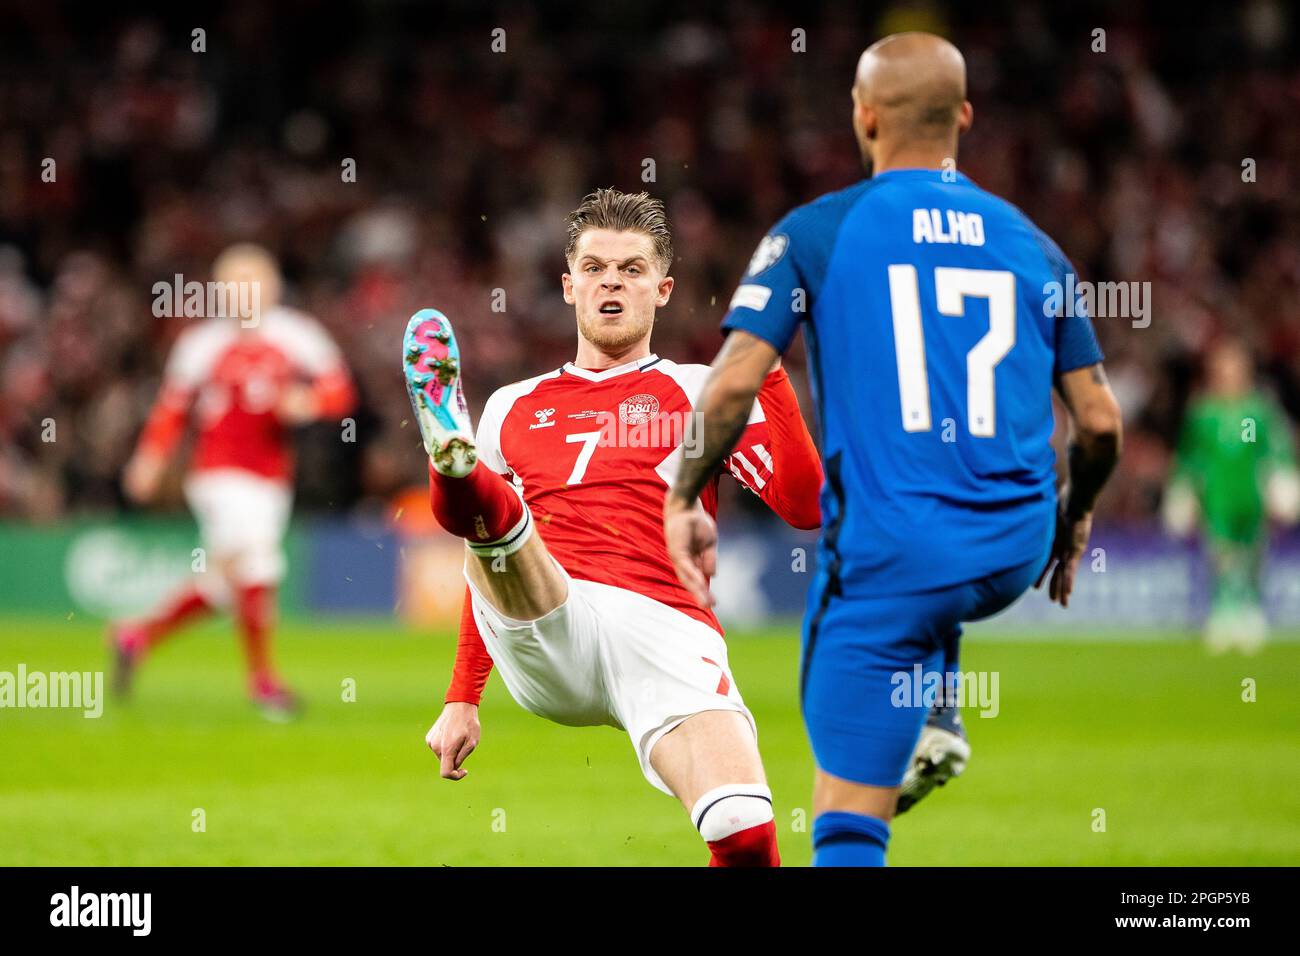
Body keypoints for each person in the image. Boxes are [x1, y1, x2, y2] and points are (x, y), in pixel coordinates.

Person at [663, 33, 1123, 865]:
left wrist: (681, 498)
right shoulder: (1032, 244)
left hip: (896, 557)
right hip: (1017, 547)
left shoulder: (817, 232)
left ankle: (909, 731)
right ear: (965, 118)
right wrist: (1075, 514)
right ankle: (938, 704)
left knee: (842, 816)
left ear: (863, 117)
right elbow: (1098, 424)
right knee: (932, 561)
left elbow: (731, 387)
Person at [409, 188, 824, 866]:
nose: (612, 281)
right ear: (570, 285)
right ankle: (452, 466)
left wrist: (769, 372)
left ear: (662, 289)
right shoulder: (514, 406)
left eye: (631, 269)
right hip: (552, 621)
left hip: (666, 631)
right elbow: (478, 572)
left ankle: (457, 472)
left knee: (744, 829)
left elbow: (804, 508)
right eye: (596, 267)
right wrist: (462, 698)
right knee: (498, 534)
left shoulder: (703, 391)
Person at [110, 244, 356, 720]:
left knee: (228, 584)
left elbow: (340, 391)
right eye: (234, 284)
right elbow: (171, 410)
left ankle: (137, 636)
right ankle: (264, 684)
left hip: (271, 476)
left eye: (254, 282)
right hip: (218, 475)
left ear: (271, 287)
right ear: (221, 291)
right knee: (259, 563)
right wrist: (149, 458)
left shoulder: (298, 334)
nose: (245, 293)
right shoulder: (200, 343)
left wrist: (307, 402)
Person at [1163, 338, 1299, 652]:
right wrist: (1181, 489)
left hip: (1250, 493)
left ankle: (1251, 612)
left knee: (1252, 554)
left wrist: (1284, 480)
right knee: (1221, 555)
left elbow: (1275, 448)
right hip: (1217, 495)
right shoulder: (1203, 412)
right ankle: (1223, 612)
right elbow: (1189, 456)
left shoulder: (1258, 409)